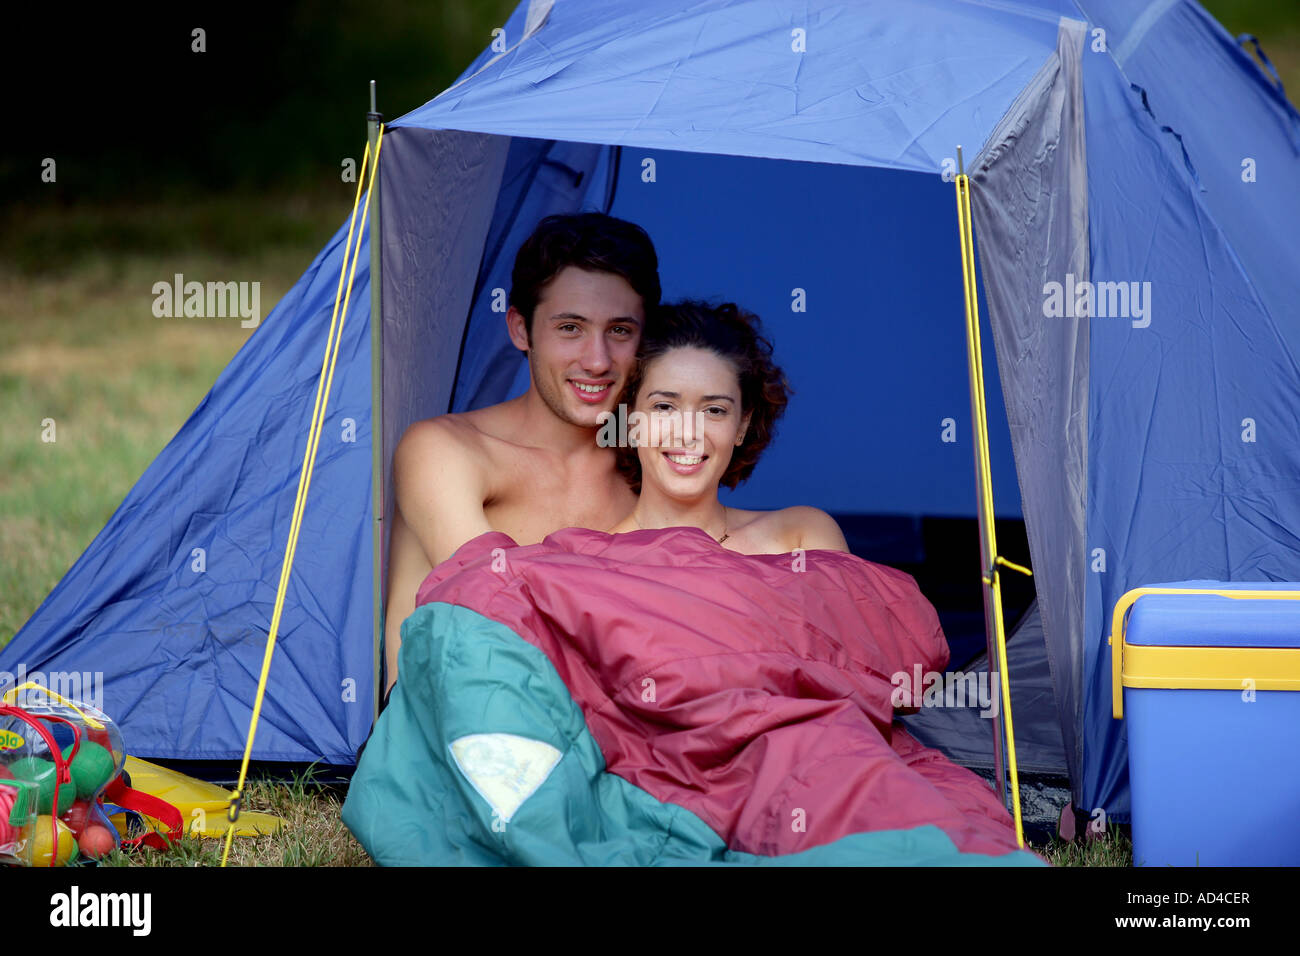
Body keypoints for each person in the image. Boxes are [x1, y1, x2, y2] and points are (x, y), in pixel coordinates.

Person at [383, 212, 661, 693]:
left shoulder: (649, 465)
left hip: (613, 724)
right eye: (570, 328)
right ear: (520, 329)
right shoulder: (446, 450)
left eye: (619, 331)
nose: (597, 361)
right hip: (458, 722)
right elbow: (498, 615)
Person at [606, 300, 849, 554]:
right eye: (664, 407)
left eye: (714, 410)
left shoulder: (802, 537)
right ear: (631, 418)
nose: (688, 434)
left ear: (742, 425)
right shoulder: (600, 561)